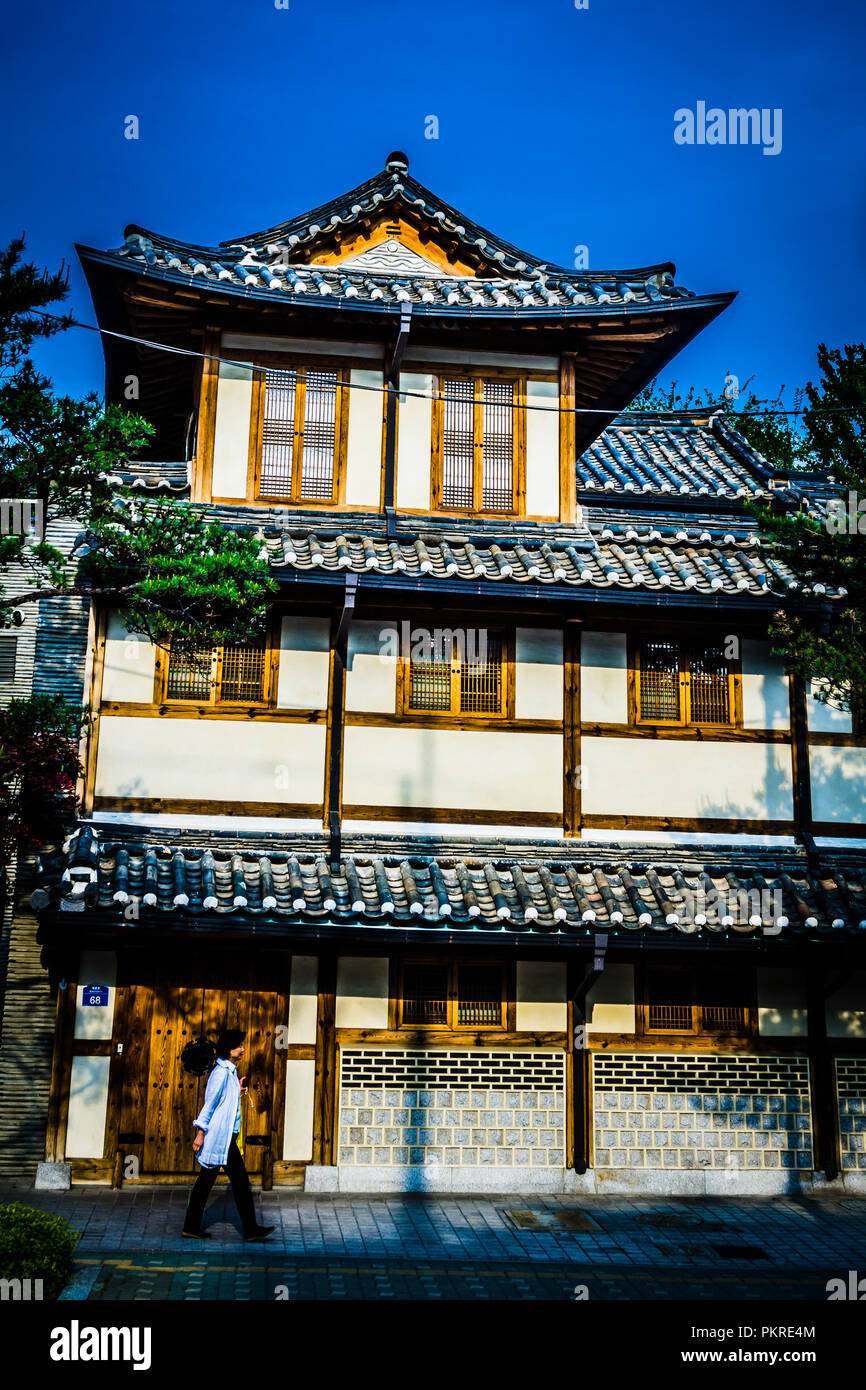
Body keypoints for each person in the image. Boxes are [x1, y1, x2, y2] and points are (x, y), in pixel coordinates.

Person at [182, 1028, 274, 1241]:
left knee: (207, 1183)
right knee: (239, 1183)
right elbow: (210, 1104)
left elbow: (226, 1102)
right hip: (218, 1139)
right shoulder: (221, 1073)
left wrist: (238, 1088)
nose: (243, 1049)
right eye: (239, 1045)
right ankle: (250, 1229)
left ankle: (191, 1227)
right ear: (229, 1049)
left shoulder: (229, 1072)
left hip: (225, 1138)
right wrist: (200, 1133)